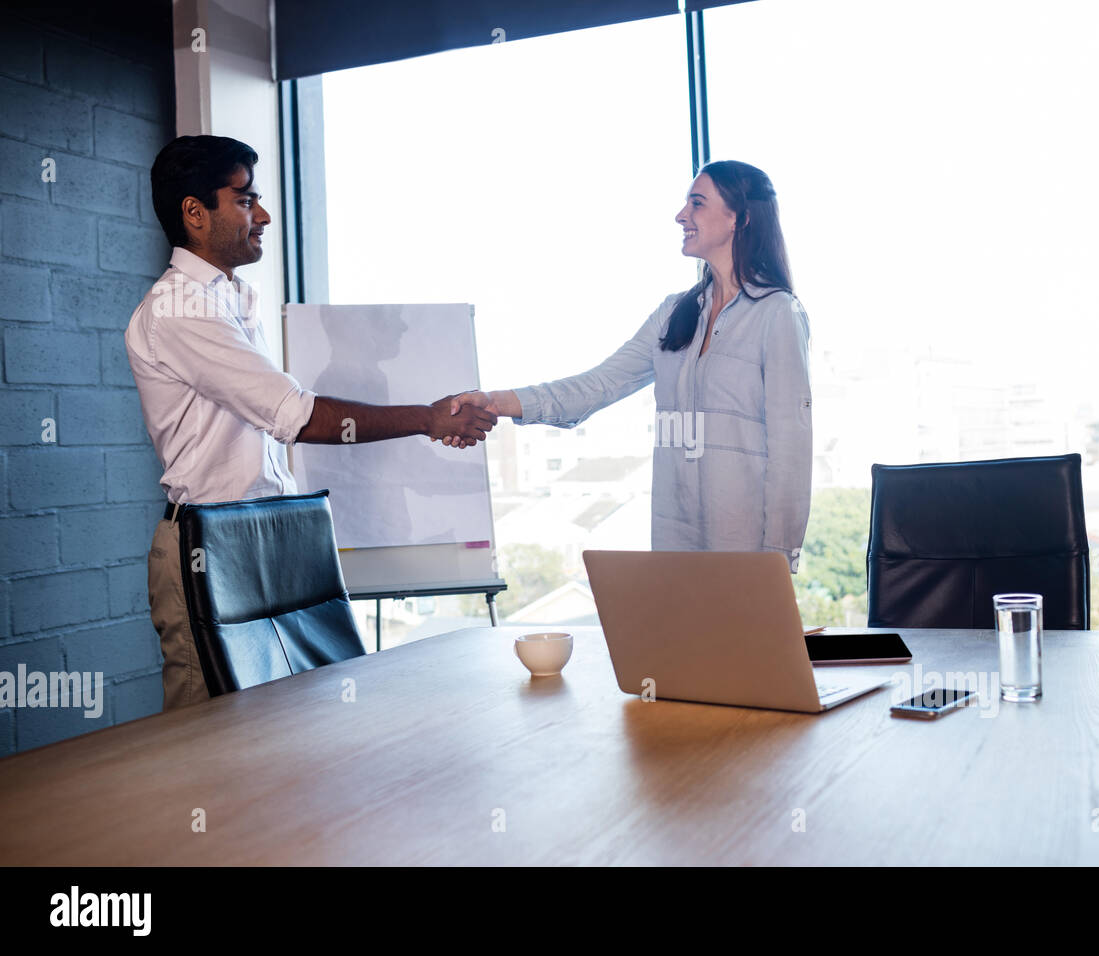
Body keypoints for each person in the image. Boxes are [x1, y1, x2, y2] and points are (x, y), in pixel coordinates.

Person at [125, 135, 497, 710]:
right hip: (212, 545)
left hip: (280, 530)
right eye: (245, 199)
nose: (264, 214)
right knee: (213, 746)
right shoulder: (179, 309)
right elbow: (294, 415)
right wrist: (427, 417)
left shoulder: (236, 298)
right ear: (195, 213)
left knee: (310, 719)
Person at [452, 160, 812, 571]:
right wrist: (495, 402)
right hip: (674, 551)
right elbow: (600, 385)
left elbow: (791, 451)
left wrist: (779, 557)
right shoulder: (675, 312)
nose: (681, 215)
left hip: (748, 558)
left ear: (741, 218)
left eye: (697, 203)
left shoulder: (777, 313)